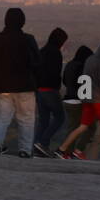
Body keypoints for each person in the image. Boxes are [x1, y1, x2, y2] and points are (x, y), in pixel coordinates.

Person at [0, 7, 39, 158]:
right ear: (22, 22)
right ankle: (25, 150)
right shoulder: (28, 39)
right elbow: (37, 62)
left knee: (1, 118)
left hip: (3, 86)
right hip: (25, 85)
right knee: (27, 119)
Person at [57, 42, 100, 160]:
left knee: (82, 126)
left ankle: (62, 148)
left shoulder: (88, 62)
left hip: (85, 99)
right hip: (97, 99)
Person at [33, 27, 68, 157]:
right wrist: (57, 87)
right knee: (59, 117)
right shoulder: (56, 53)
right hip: (50, 90)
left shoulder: (41, 51)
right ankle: (43, 142)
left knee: (43, 120)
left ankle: (36, 146)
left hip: (39, 91)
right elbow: (55, 74)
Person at [58, 44, 94, 159]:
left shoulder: (69, 64)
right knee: (87, 126)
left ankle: (68, 152)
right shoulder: (82, 67)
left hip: (67, 99)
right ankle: (70, 152)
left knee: (73, 127)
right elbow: (84, 85)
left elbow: (64, 81)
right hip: (77, 101)